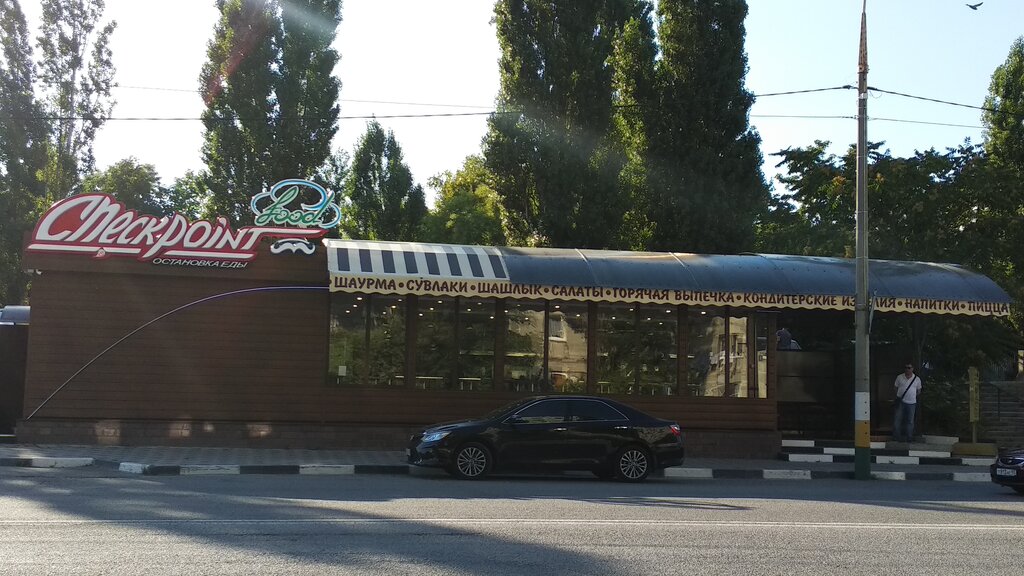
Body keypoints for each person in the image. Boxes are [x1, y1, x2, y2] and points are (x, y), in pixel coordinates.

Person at [893, 363, 922, 443]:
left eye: (909, 368)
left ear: (912, 369)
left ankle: (909, 437)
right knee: (897, 419)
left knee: (910, 421)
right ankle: (897, 437)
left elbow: (919, 391)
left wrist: (912, 395)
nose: (907, 369)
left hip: (912, 403)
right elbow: (895, 387)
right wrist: (899, 396)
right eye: (906, 367)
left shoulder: (917, 379)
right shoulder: (899, 377)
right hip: (901, 402)